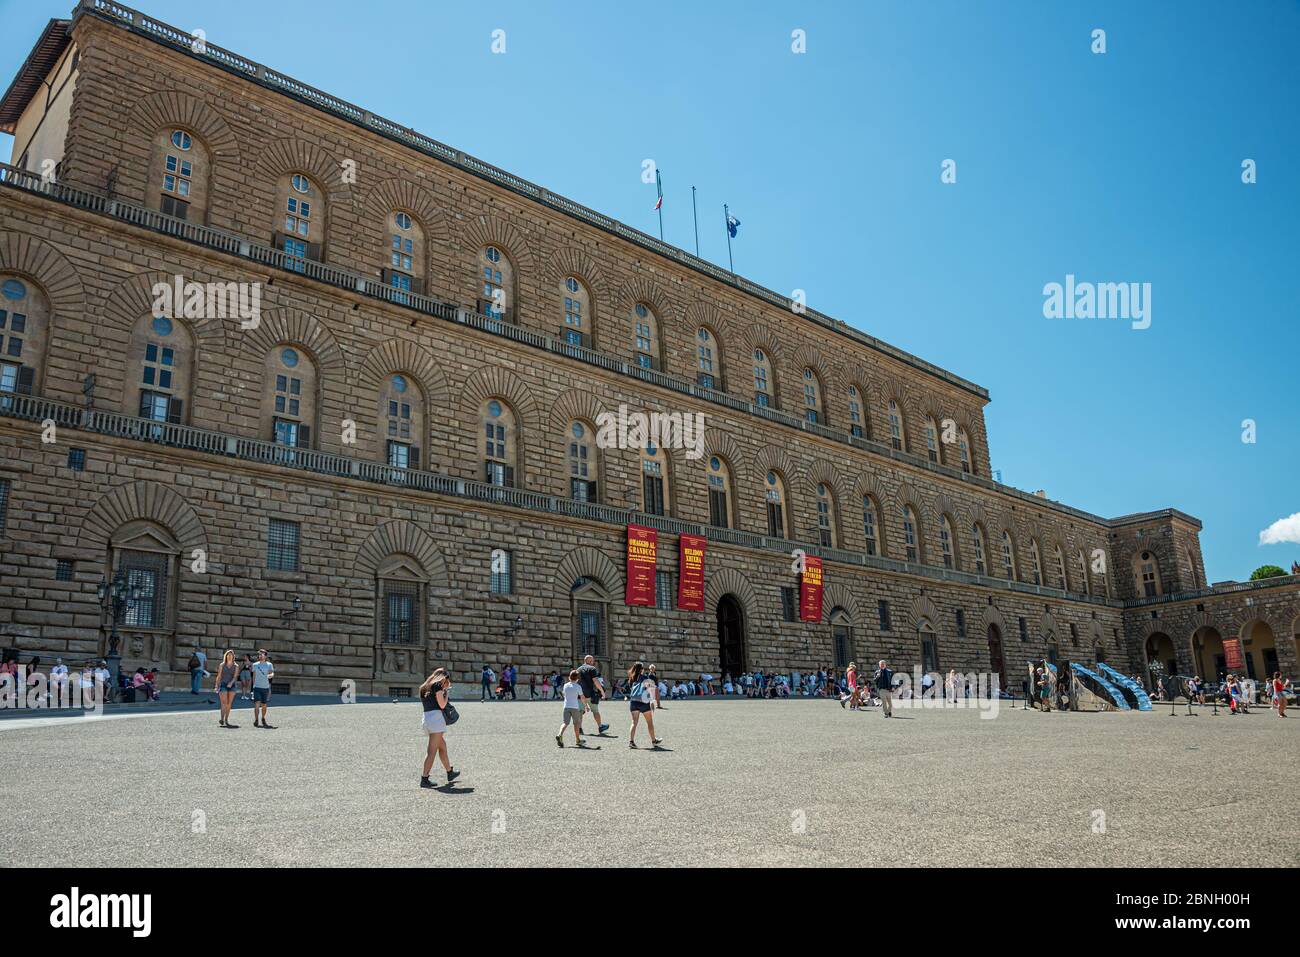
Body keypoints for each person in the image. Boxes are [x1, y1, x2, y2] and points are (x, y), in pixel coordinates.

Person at [419, 668, 460, 788]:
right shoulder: (437, 686)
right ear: (443, 678)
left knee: (442, 747)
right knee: (431, 751)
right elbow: (442, 704)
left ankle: (449, 772)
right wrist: (446, 694)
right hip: (436, 720)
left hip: (427, 718)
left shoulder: (424, 686)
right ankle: (424, 778)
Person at [626, 661, 661, 749]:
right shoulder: (645, 677)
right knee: (649, 722)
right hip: (644, 702)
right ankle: (654, 740)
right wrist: (652, 701)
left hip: (633, 702)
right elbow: (650, 689)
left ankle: (631, 741)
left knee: (634, 722)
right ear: (641, 669)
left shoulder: (631, 678)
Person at [576, 654, 609, 735]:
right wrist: (602, 691)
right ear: (589, 661)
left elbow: (576, 682)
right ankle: (600, 726)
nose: (593, 662)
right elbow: (596, 681)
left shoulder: (578, 669)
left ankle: (580, 728)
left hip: (580, 694)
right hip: (590, 693)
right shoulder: (592, 668)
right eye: (592, 661)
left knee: (580, 712)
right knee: (595, 711)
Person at [556, 669, 588, 748]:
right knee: (576, 724)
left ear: (569, 677)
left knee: (565, 723)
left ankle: (559, 734)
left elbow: (564, 694)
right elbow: (582, 697)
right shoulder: (578, 686)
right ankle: (577, 740)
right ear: (577, 679)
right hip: (574, 707)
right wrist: (586, 706)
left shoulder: (566, 685)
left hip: (566, 706)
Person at [250, 648, 275, 728]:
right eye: (259, 654)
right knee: (257, 704)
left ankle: (263, 718)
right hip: (257, 687)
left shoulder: (269, 664)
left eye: (261, 654)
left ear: (265, 656)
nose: (260, 656)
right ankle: (256, 720)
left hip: (265, 687)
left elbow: (271, 673)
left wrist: (271, 675)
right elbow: (253, 676)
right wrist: (253, 687)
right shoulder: (255, 665)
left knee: (264, 705)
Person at [215, 650, 240, 728]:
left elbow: (235, 677)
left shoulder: (236, 666)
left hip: (232, 685)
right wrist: (216, 685)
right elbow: (219, 676)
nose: (229, 656)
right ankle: (222, 719)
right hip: (223, 685)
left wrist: (231, 683)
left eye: (231, 655)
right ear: (225, 656)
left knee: (229, 703)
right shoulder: (222, 665)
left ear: (233, 657)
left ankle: (226, 719)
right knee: (224, 702)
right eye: (228, 655)